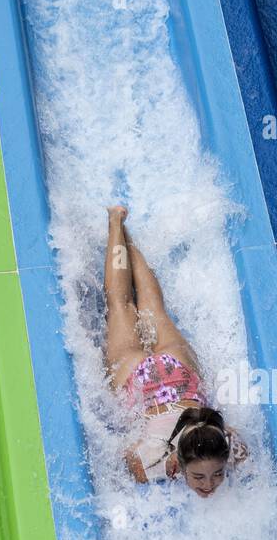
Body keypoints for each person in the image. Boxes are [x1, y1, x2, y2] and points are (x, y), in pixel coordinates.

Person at [102, 206, 246, 495]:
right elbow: (128, 458)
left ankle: (120, 226)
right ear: (179, 465)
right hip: (143, 381)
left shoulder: (226, 444)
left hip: (177, 376)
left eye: (216, 474)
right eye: (200, 477)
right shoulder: (153, 464)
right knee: (131, 305)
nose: (210, 484)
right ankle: (118, 226)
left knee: (134, 306)